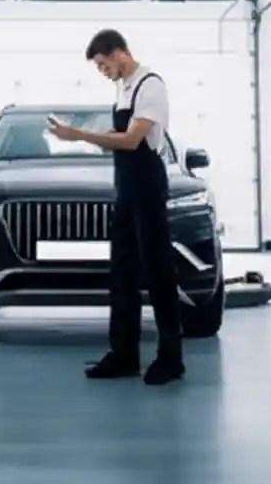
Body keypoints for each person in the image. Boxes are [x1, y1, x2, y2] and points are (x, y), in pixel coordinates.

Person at [48, 29, 184, 386]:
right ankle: (123, 355)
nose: (103, 72)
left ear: (119, 53)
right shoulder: (124, 87)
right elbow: (118, 136)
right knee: (122, 270)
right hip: (126, 187)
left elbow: (132, 139)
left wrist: (78, 135)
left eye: (103, 65)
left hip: (147, 185)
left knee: (157, 271)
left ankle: (171, 359)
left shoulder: (150, 85)